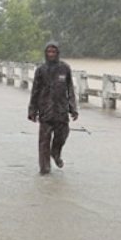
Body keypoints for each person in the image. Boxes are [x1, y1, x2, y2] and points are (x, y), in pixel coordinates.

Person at [27, 41, 78, 175]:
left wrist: (73, 107)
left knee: (62, 135)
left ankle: (55, 152)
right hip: (45, 110)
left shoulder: (65, 68)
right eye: (49, 52)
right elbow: (35, 91)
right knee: (44, 141)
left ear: (58, 53)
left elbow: (70, 89)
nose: (51, 54)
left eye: (54, 52)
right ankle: (44, 168)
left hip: (61, 110)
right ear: (45, 53)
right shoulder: (41, 70)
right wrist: (32, 110)